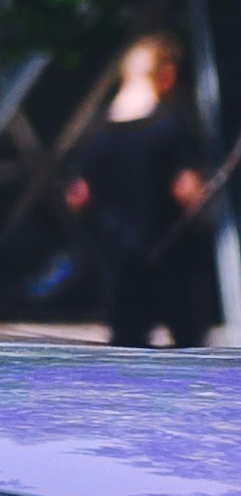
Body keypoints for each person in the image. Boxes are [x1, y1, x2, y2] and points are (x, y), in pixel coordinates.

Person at [62, 34, 218, 346]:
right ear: (167, 73)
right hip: (171, 265)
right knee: (191, 353)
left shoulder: (100, 131)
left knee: (127, 354)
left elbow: (78, 196)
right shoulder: (170, 126)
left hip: (120, 268)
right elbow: (187, 190)